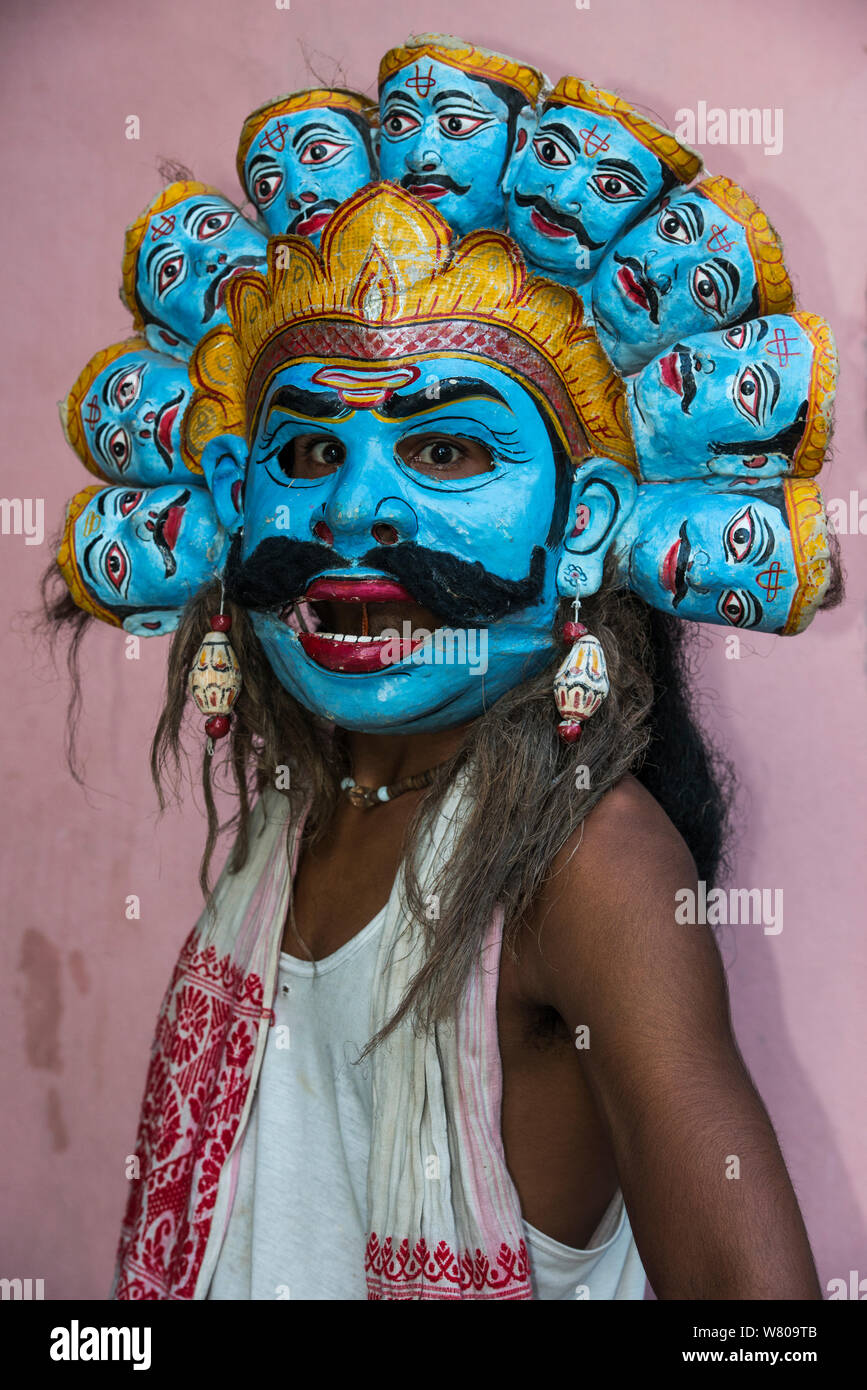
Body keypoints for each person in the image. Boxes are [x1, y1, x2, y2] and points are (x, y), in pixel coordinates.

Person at [101, 184, 833, 1300]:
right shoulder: (307, 801)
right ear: (233, 494)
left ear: (581, 521)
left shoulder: (592, 870)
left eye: (444, 451)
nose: (352, 512)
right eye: (303, 458)